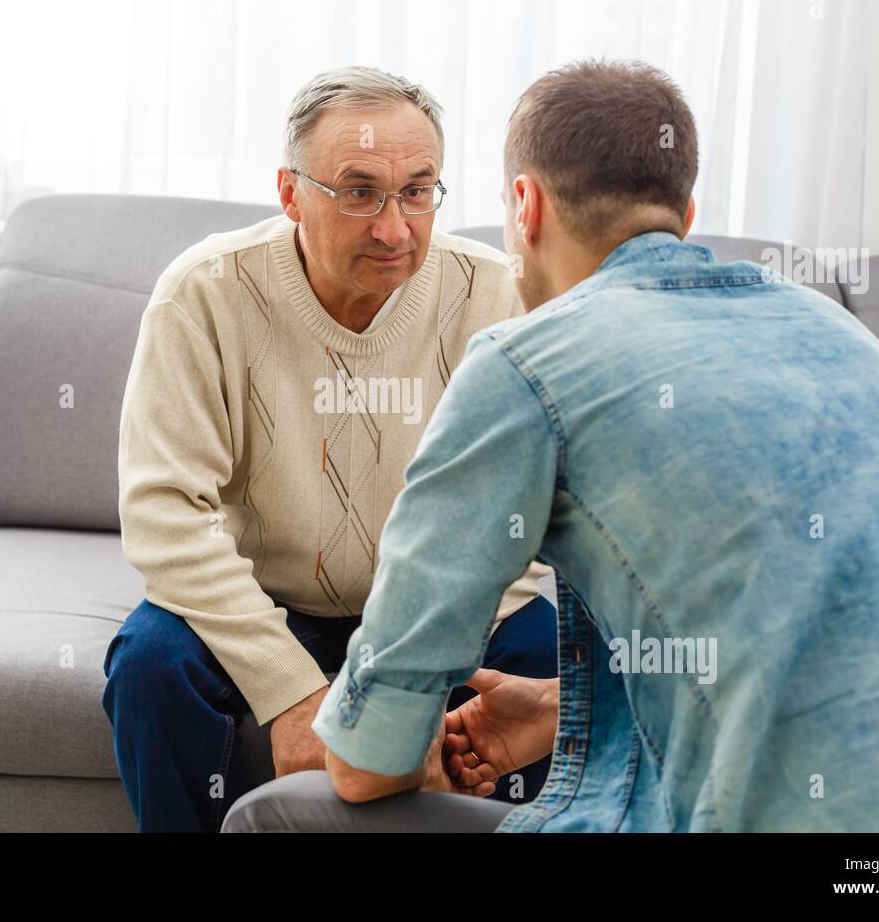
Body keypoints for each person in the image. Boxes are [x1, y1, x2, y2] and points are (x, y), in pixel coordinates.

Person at [222, 58, 879, 833]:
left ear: (525, 206)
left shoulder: (527, 364)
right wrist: (561, 708)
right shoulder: (837, 333)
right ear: (686, 215)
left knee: (272, 818)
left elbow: (368, 764)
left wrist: (397, 752)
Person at [101, 66, 556, 832]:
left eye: (418, 190)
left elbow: (523, 514)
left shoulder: (495, 294)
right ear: (289, 194)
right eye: (358, 192)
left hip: (433, 607)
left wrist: (419, 668)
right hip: (265, 600)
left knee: (551, 661)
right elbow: (165, 516)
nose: (394, 227)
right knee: (149, 665)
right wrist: (292, 696)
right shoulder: (203, 294)